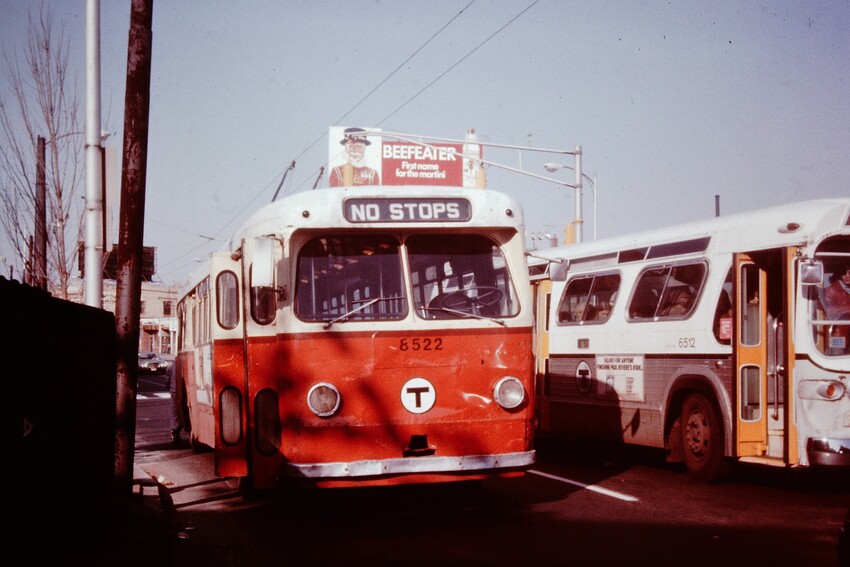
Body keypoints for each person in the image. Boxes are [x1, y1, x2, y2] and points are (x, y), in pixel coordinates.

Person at [166, 361, 182, 445]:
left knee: (175, 411)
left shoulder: (173, 364)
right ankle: (176, 431)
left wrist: (170, 388)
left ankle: (175, 432)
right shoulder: (181, 362)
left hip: (174, 390)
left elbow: (167, 379)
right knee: (179, 411)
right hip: (180, 390)